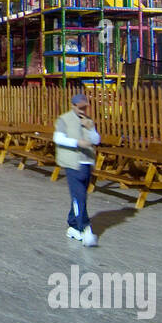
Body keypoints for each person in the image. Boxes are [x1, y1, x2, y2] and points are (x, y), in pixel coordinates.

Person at [54, 92, 101, 247]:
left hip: (86, 163)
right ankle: (84, 228)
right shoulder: (64, 119)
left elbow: (96, 140)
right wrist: (76, 142)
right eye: (80, 107)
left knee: (80, 195)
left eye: (85, 107)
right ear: (73, 105)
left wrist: (91, 129)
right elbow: (58, 138)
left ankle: (73, 224)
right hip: (72, 163)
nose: (82, 110)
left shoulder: (88, 121)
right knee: (79, 196)